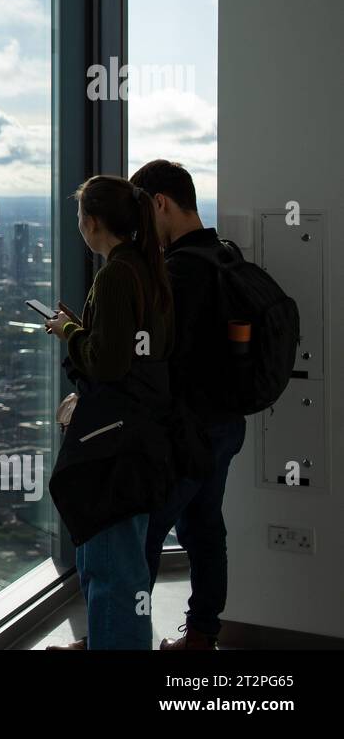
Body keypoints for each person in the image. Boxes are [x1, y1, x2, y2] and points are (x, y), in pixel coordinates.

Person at [44, 175, 175, 650]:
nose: (78, 225)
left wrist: (68, 333)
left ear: (93, 221)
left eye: (80, 216)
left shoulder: (117, 274)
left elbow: (108, 362)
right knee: (122, 565)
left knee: (108, 567)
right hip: (142, 434)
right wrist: (81, 328)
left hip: (113, 444)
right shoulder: (147, 268)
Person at [130, 159, 245, 650]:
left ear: (160, 204)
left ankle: (120, 635)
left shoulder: (178, 272)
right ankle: (201, 636)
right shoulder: (227, 257)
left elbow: (160, 357)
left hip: (184, 429)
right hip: (225, 423)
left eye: (142, 213)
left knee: (141, 534)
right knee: (204, 529)